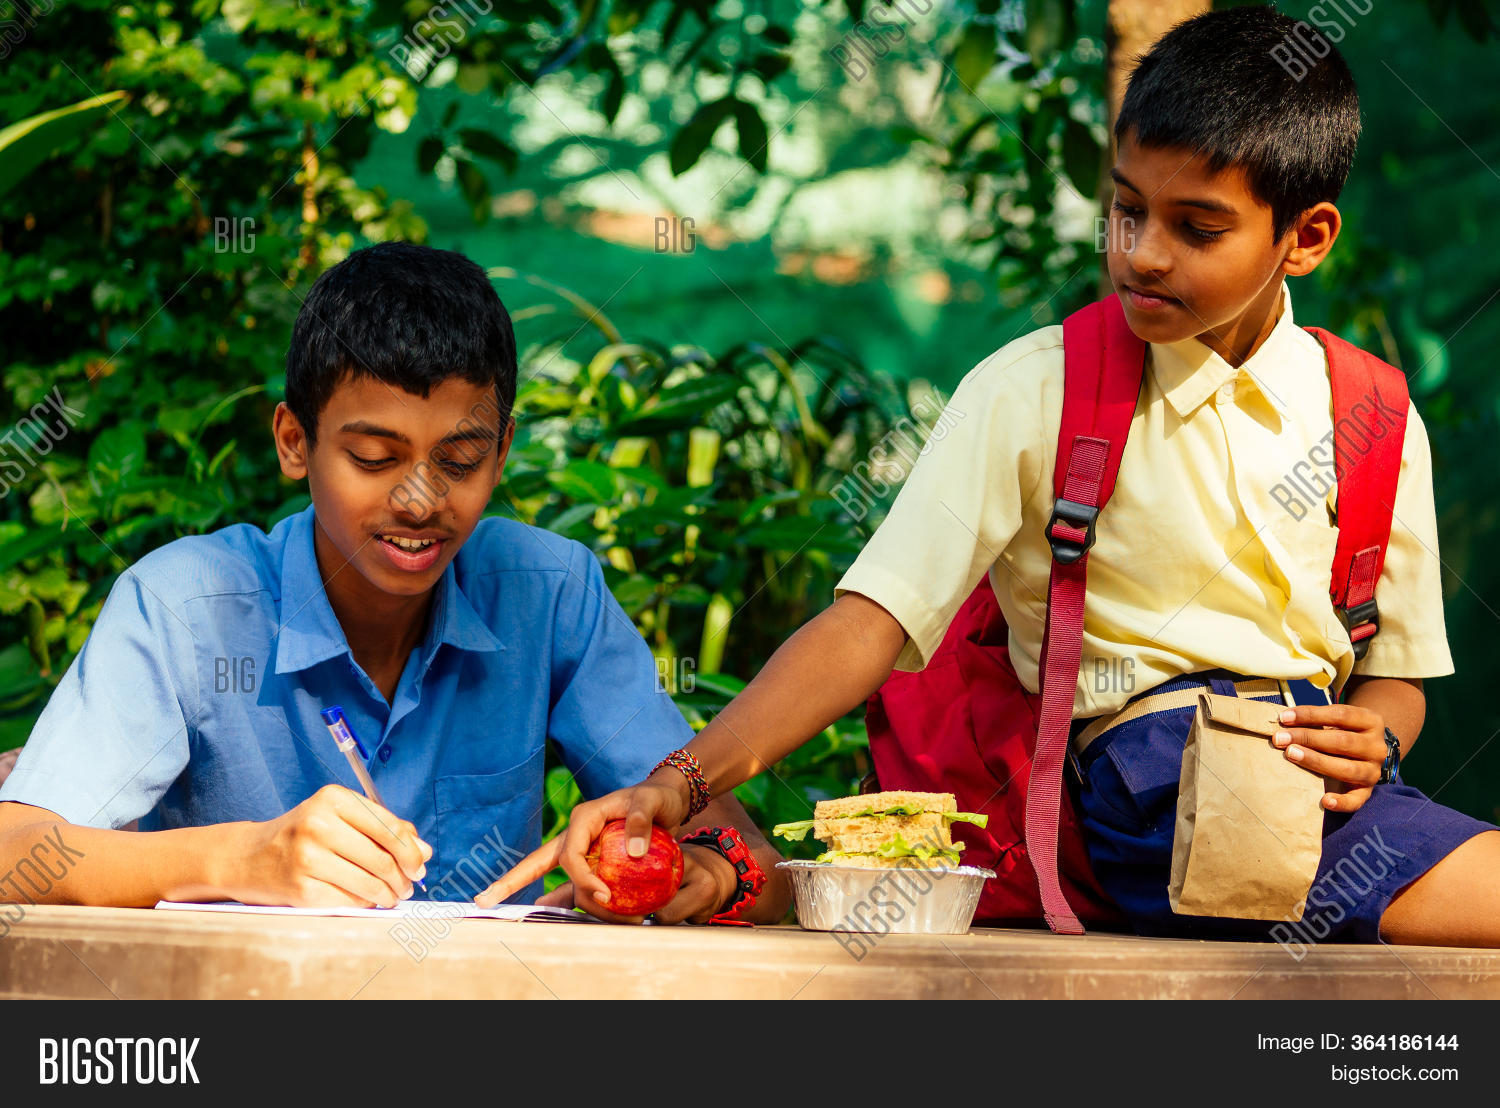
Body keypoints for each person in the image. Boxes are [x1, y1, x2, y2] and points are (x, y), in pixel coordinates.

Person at [479, 6, 1500, 945]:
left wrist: (1374, 734)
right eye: (1125, 209)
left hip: (1316, 795)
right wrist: (679, 784)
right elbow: (868, 626)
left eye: (1196, 228)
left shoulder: (1370, 410)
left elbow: (1393, 671)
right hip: (1143, 789)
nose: (1140, 253)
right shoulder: (1037, 389)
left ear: (1306, 237)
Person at [0, 242, 789, 925]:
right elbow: (13, 853)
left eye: (459, 460)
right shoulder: (186, 606)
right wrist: (246, 857)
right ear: (293, 442)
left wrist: (707, 875)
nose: (419, 500)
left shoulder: (548, 594)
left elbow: (751, 860)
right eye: (374, 458)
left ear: (504, 450)